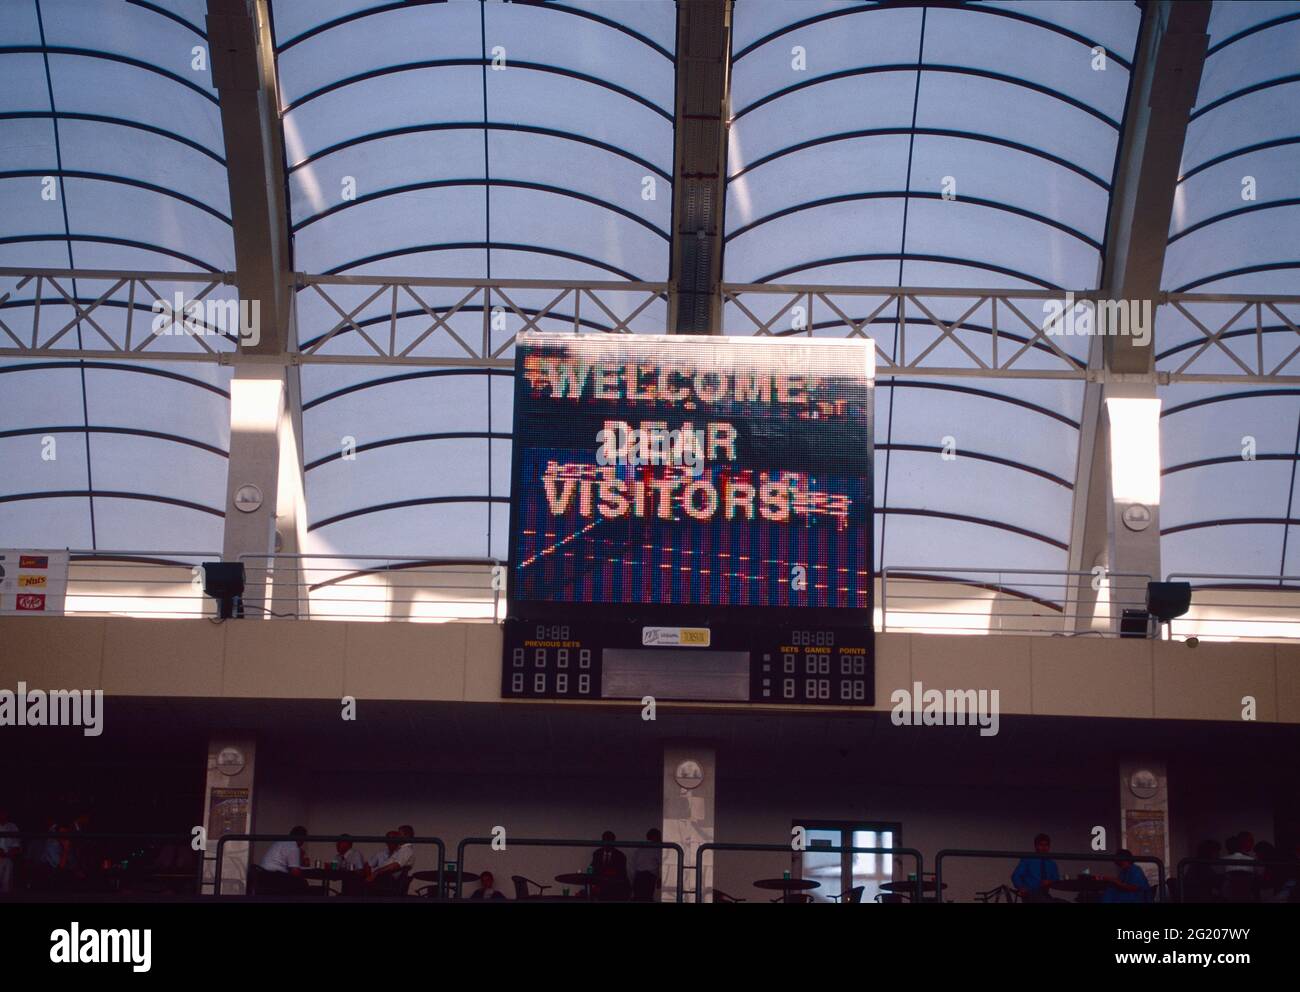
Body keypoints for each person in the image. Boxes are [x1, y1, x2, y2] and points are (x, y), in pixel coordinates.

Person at [256, 825, 309, 894]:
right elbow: (295, 872)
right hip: (273, 877)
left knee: (297, 882)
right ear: (302, 839)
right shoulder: (293, 846)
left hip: (262, 874)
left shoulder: (282, 841)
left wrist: (300, 857)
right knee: (302, 883)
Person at [1011, 833, 1061, 903]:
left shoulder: (1052, 864)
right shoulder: (1028, 860)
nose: (1044, 848)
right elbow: (1016, 876)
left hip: (1044, 894)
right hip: (1030, 893)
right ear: (1036, 846)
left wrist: (1050, 882)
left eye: (1046, 845)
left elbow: (1056, 880)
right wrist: (1021, 887)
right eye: (1041, 845)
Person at [365, 826, 414, 894]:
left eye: (399, 834)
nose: (397, 837)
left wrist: (376, 872)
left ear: (406, 835)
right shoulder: (400, 849)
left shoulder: (406, 850)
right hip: (381, 878)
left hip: (385, 881)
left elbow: (396, 865)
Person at [589, 830, 630, 901]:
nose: (607, 844)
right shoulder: (597, 853)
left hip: (615, 888)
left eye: (609, 841)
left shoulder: (620, 855)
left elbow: (621, 874)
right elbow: (593, 868)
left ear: (613, 842)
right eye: (605, 840)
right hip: (600, 886)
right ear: (602, 841)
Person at [631, 828, 662, 901]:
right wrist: (660, 878)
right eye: (659, 836)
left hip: (638, 877)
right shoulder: (657, 849)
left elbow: (633, 866)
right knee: (647, 898)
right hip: (649, 877)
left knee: (638, 898)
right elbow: (662, 864)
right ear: (655, 837)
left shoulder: (639, 849)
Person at [0, 808, 20, 895]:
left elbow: (16, 843)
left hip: (8, 857)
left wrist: (10, 852)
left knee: (6, 883)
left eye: (4, 813)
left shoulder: (12, 826)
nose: (2, 815)